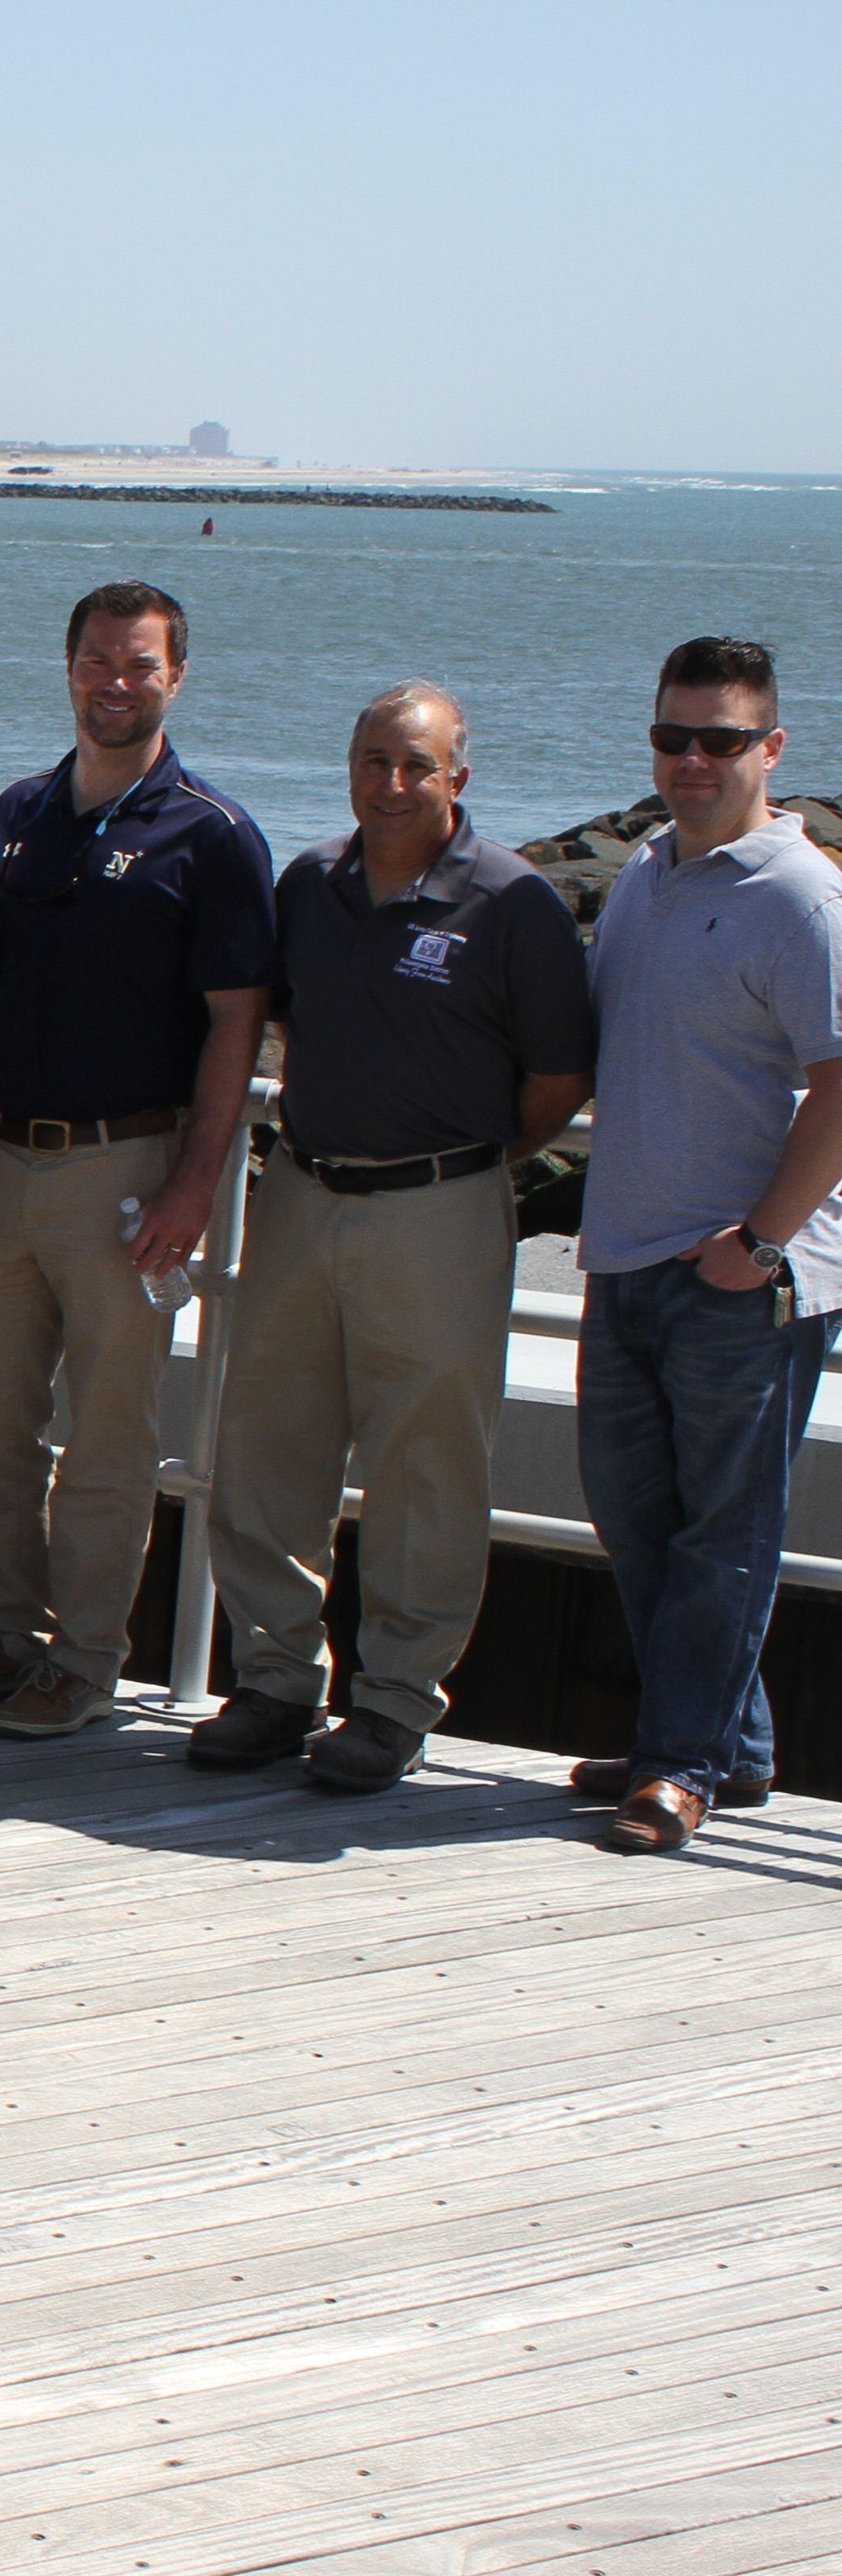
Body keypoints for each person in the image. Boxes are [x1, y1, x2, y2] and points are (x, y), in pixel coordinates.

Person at [188, 684, 592, 1790]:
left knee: (425, 1466)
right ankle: (272, 1683)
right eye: (375, 760)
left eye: (417, 764)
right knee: (268, 1447)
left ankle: (394, 1704)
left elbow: (558, 1081)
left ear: (459, 775)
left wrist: (460, 1166)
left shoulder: (514, 904)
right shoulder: (310, 885)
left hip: (441, 1208)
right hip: (304, 1192)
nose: (393, 783)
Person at [0, 580, 276, 1738]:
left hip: (128, 1170)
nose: (115, 683)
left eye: (140, 665)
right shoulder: (19, 810)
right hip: (1, 1163)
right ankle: (3, 1641)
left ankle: (82, 1665)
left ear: (176, 675)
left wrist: (194, 1184)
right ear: (67, 665)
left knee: (108, 1440)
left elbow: (237, 1021)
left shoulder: (214, 835)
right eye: (97, 661)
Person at [566, 639, 842, 1853]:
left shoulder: (801, 895)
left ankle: (676, 1763)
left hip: (742, 1277)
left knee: (723, 1532)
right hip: (626, 1256)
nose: (691, 760)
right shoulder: (642, 879)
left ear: (770, 750)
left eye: (720, 740)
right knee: (636, 1518)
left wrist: (766, 1243)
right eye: (672, 736)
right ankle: (730, 1748)